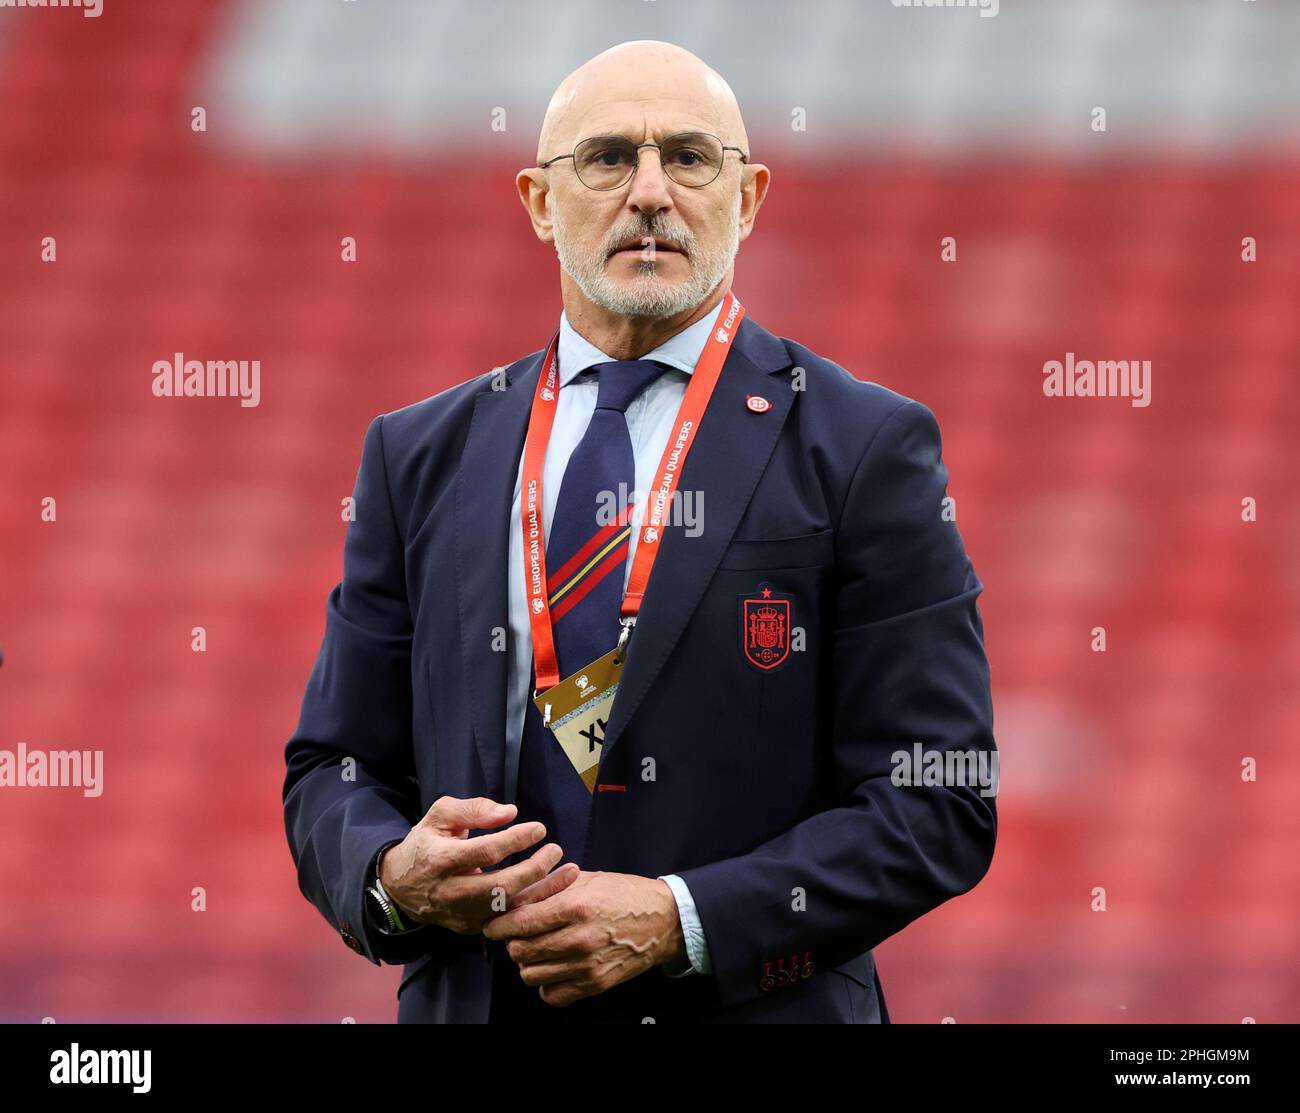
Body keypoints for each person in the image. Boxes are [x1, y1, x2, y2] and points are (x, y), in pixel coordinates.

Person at [283, 39, 997, 1024]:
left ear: (746, 198)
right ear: (540, 202)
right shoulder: (419, 454)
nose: (651, 193)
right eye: (608, 158)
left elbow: (937, 802)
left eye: (691, 159)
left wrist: (681, 918)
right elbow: (335, 766)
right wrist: (389, 871)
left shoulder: (865, 447)